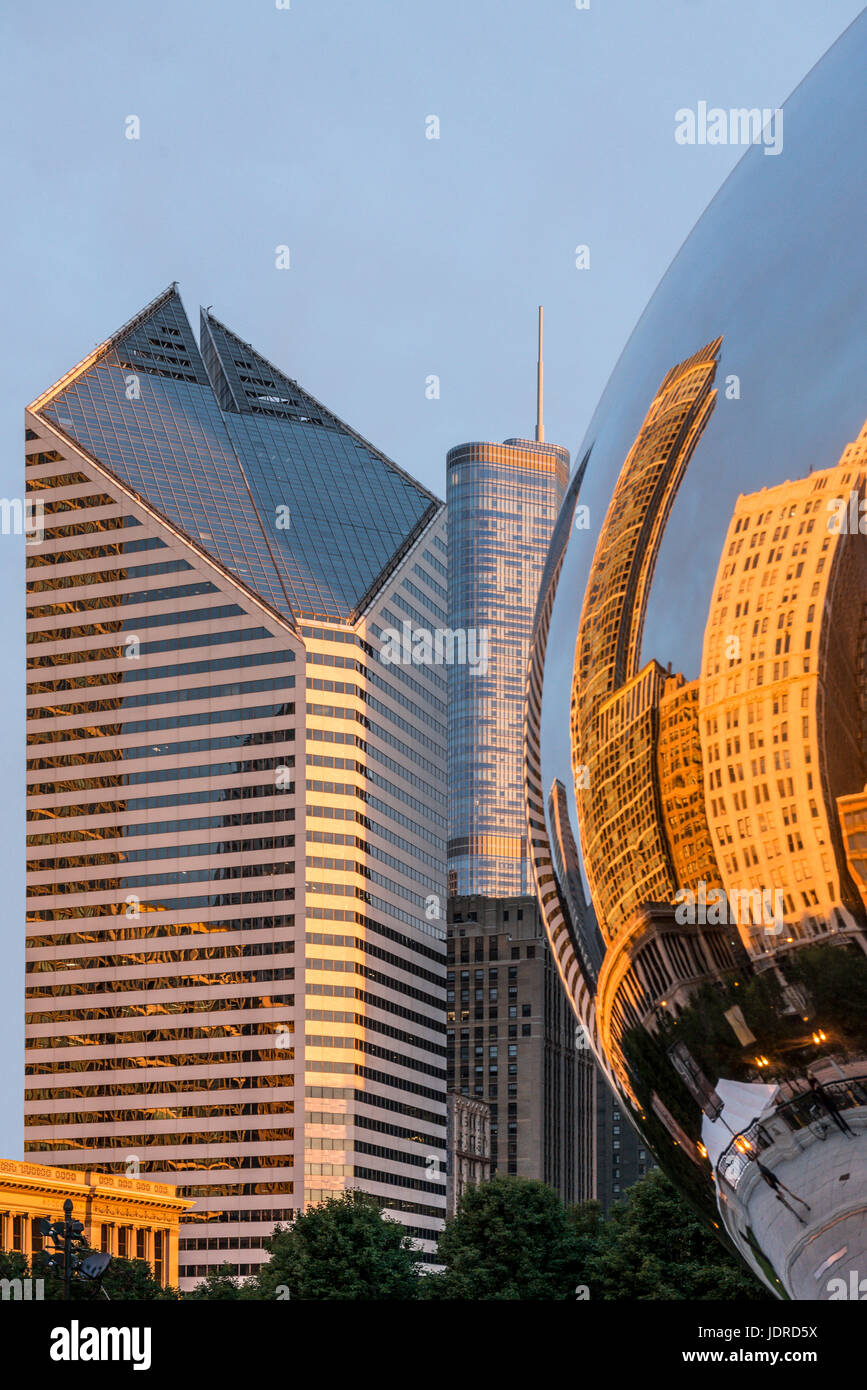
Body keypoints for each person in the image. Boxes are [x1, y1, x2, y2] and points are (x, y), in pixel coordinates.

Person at [755, 1159, 811, 1225]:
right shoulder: (767, 1172)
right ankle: (803, 1205)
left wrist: (780, 1191)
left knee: (789, 1202)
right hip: (779, 1188)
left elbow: (772, 1184)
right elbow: (776, 1184)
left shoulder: (766, 1174)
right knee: (791, 1198)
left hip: (778, 1188)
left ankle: (800, 1214)